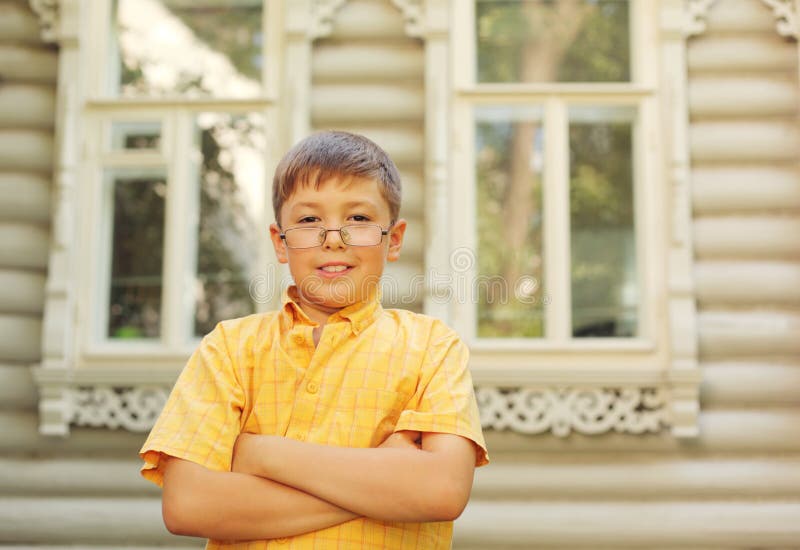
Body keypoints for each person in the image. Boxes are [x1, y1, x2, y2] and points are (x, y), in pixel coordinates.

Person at [139, 130, 489, 549]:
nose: (333, 239)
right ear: (280, 242)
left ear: (393, 240)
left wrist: (261, 455)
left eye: (358, 219)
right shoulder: (228, 349)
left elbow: (442, 491)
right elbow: (188, 505)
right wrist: (383, 483)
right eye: (309, 221)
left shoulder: (433, 347)